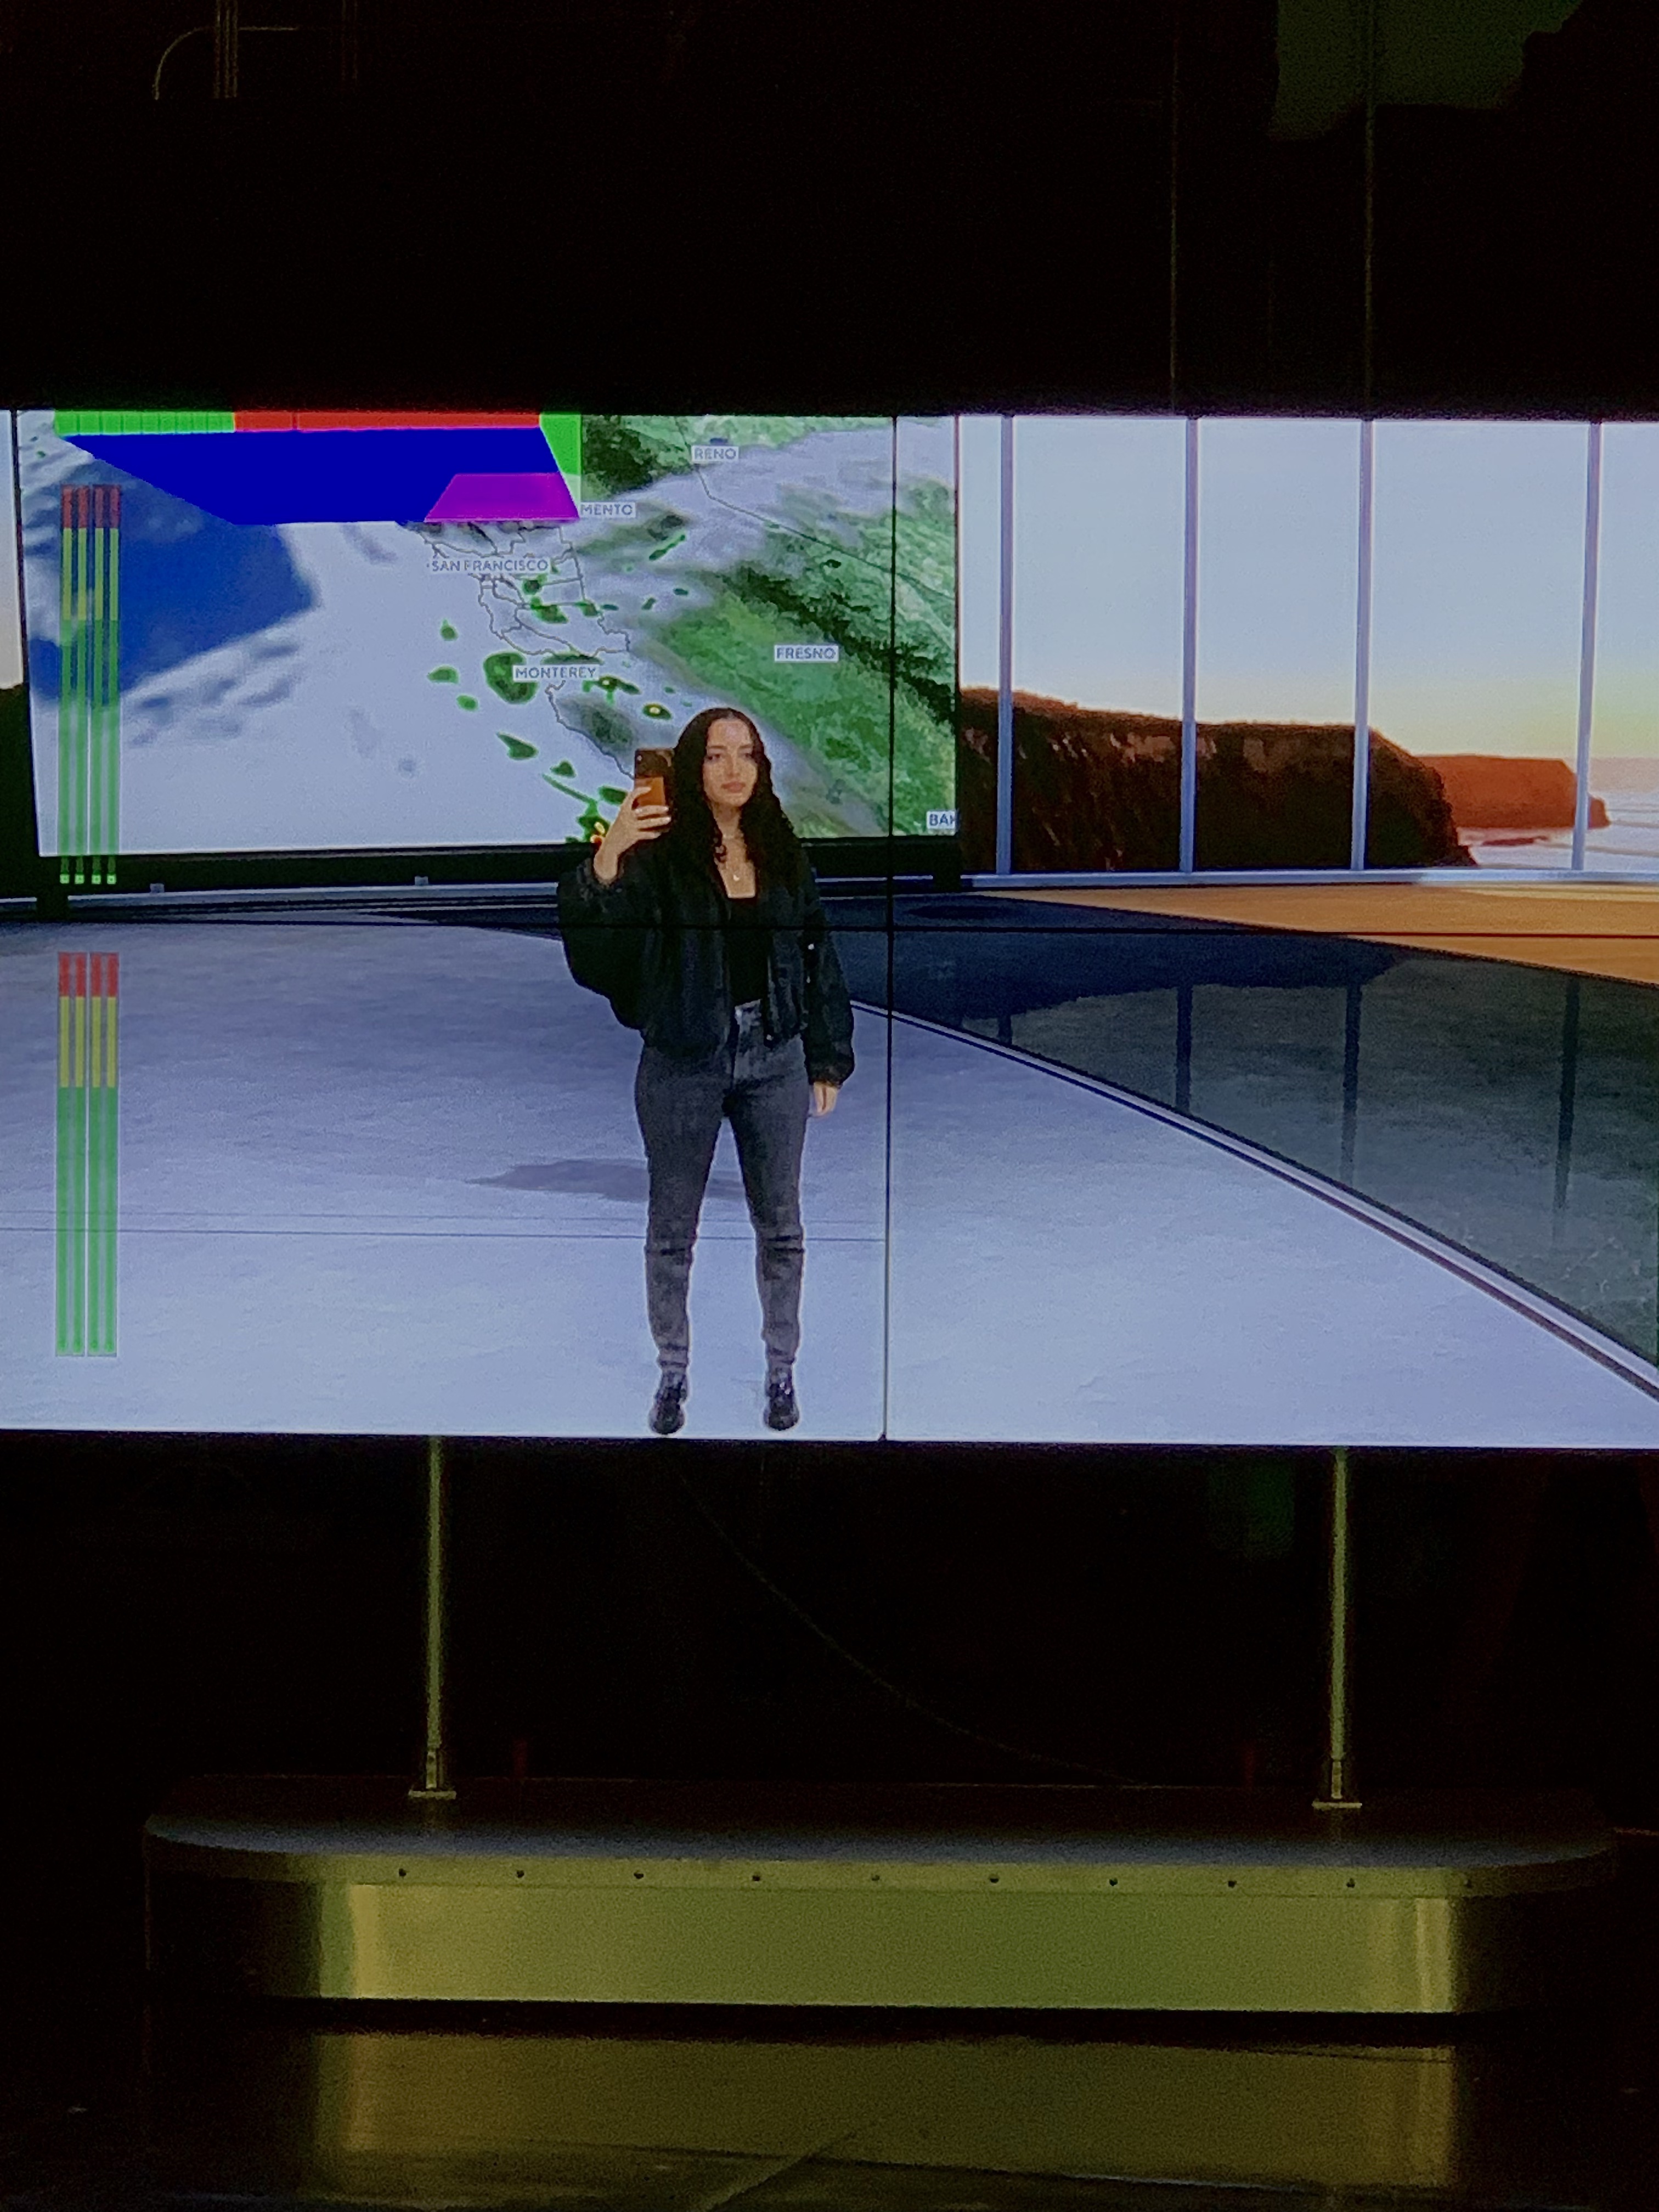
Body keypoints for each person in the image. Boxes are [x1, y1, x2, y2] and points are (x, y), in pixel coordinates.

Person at [558, 707, 855, 1436]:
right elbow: (599, 959)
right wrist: (609, 860)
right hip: (683, 1059)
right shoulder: (658, 857)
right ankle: (673, 1371)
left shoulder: (782, 850)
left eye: (747, 754)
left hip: (775, 1057)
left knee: (782, 1228)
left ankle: (781, 1371)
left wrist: (826, 1055)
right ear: (692, 766)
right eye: (717, 755)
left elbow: (816, 952)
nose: (733, 769)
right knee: (672, 1230)